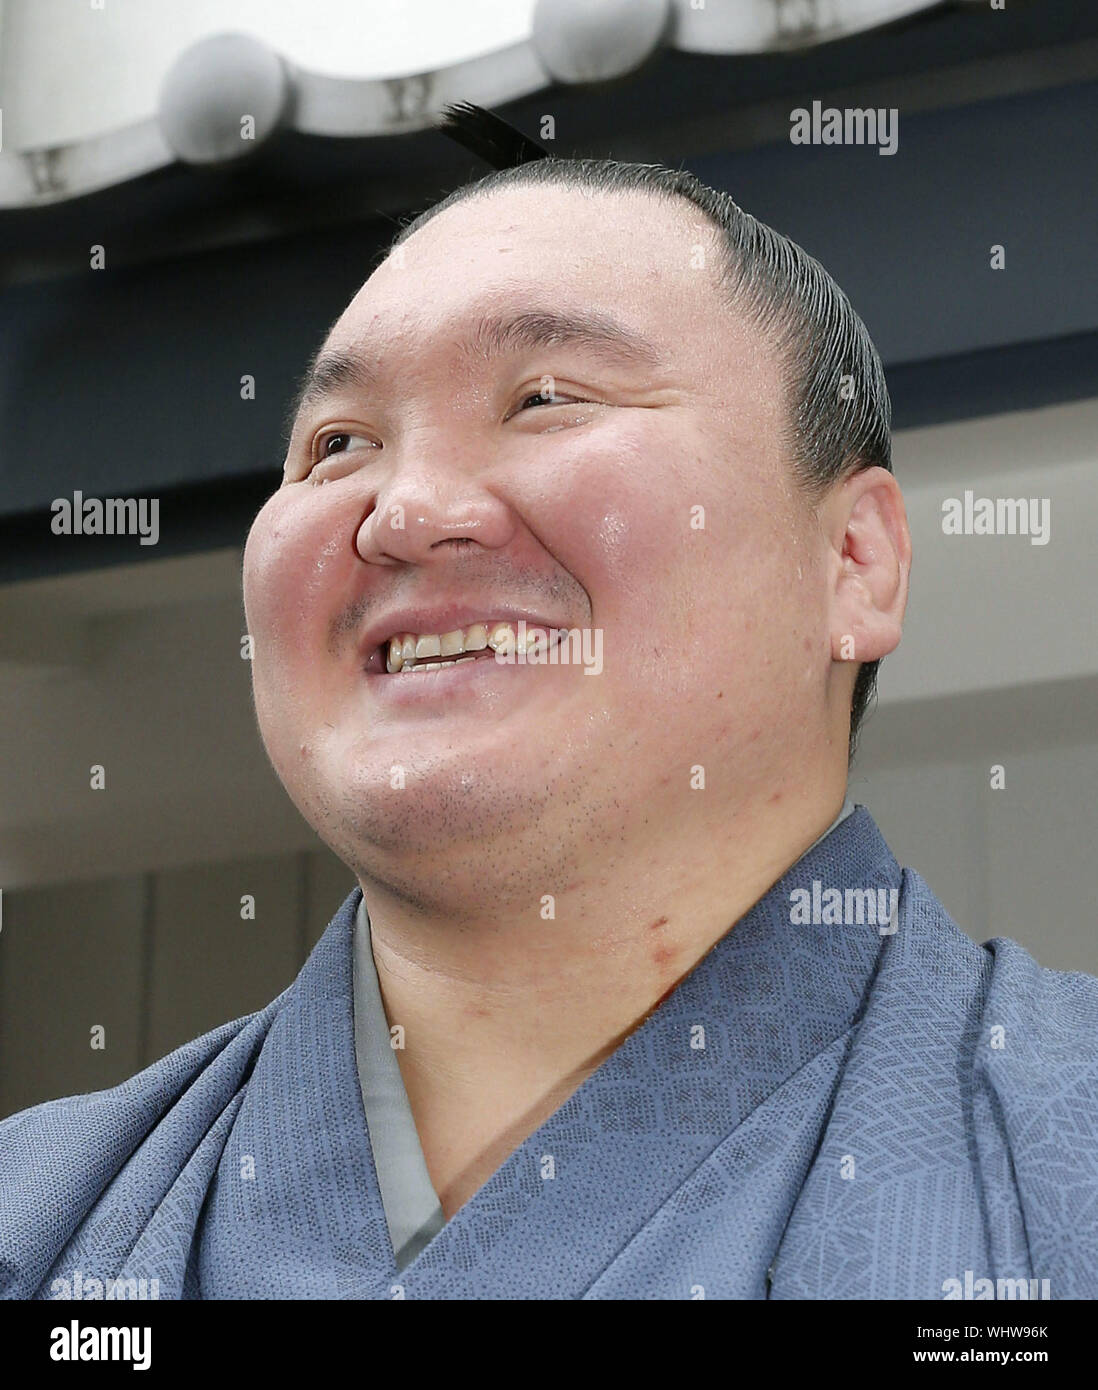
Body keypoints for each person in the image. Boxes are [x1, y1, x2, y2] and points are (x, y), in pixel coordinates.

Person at [2, 151, 1096, 1302]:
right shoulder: (43, 1219)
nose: (409, 512)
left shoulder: (1056, 1155)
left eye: (547, 398)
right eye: (337, 444)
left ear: (855, 561)